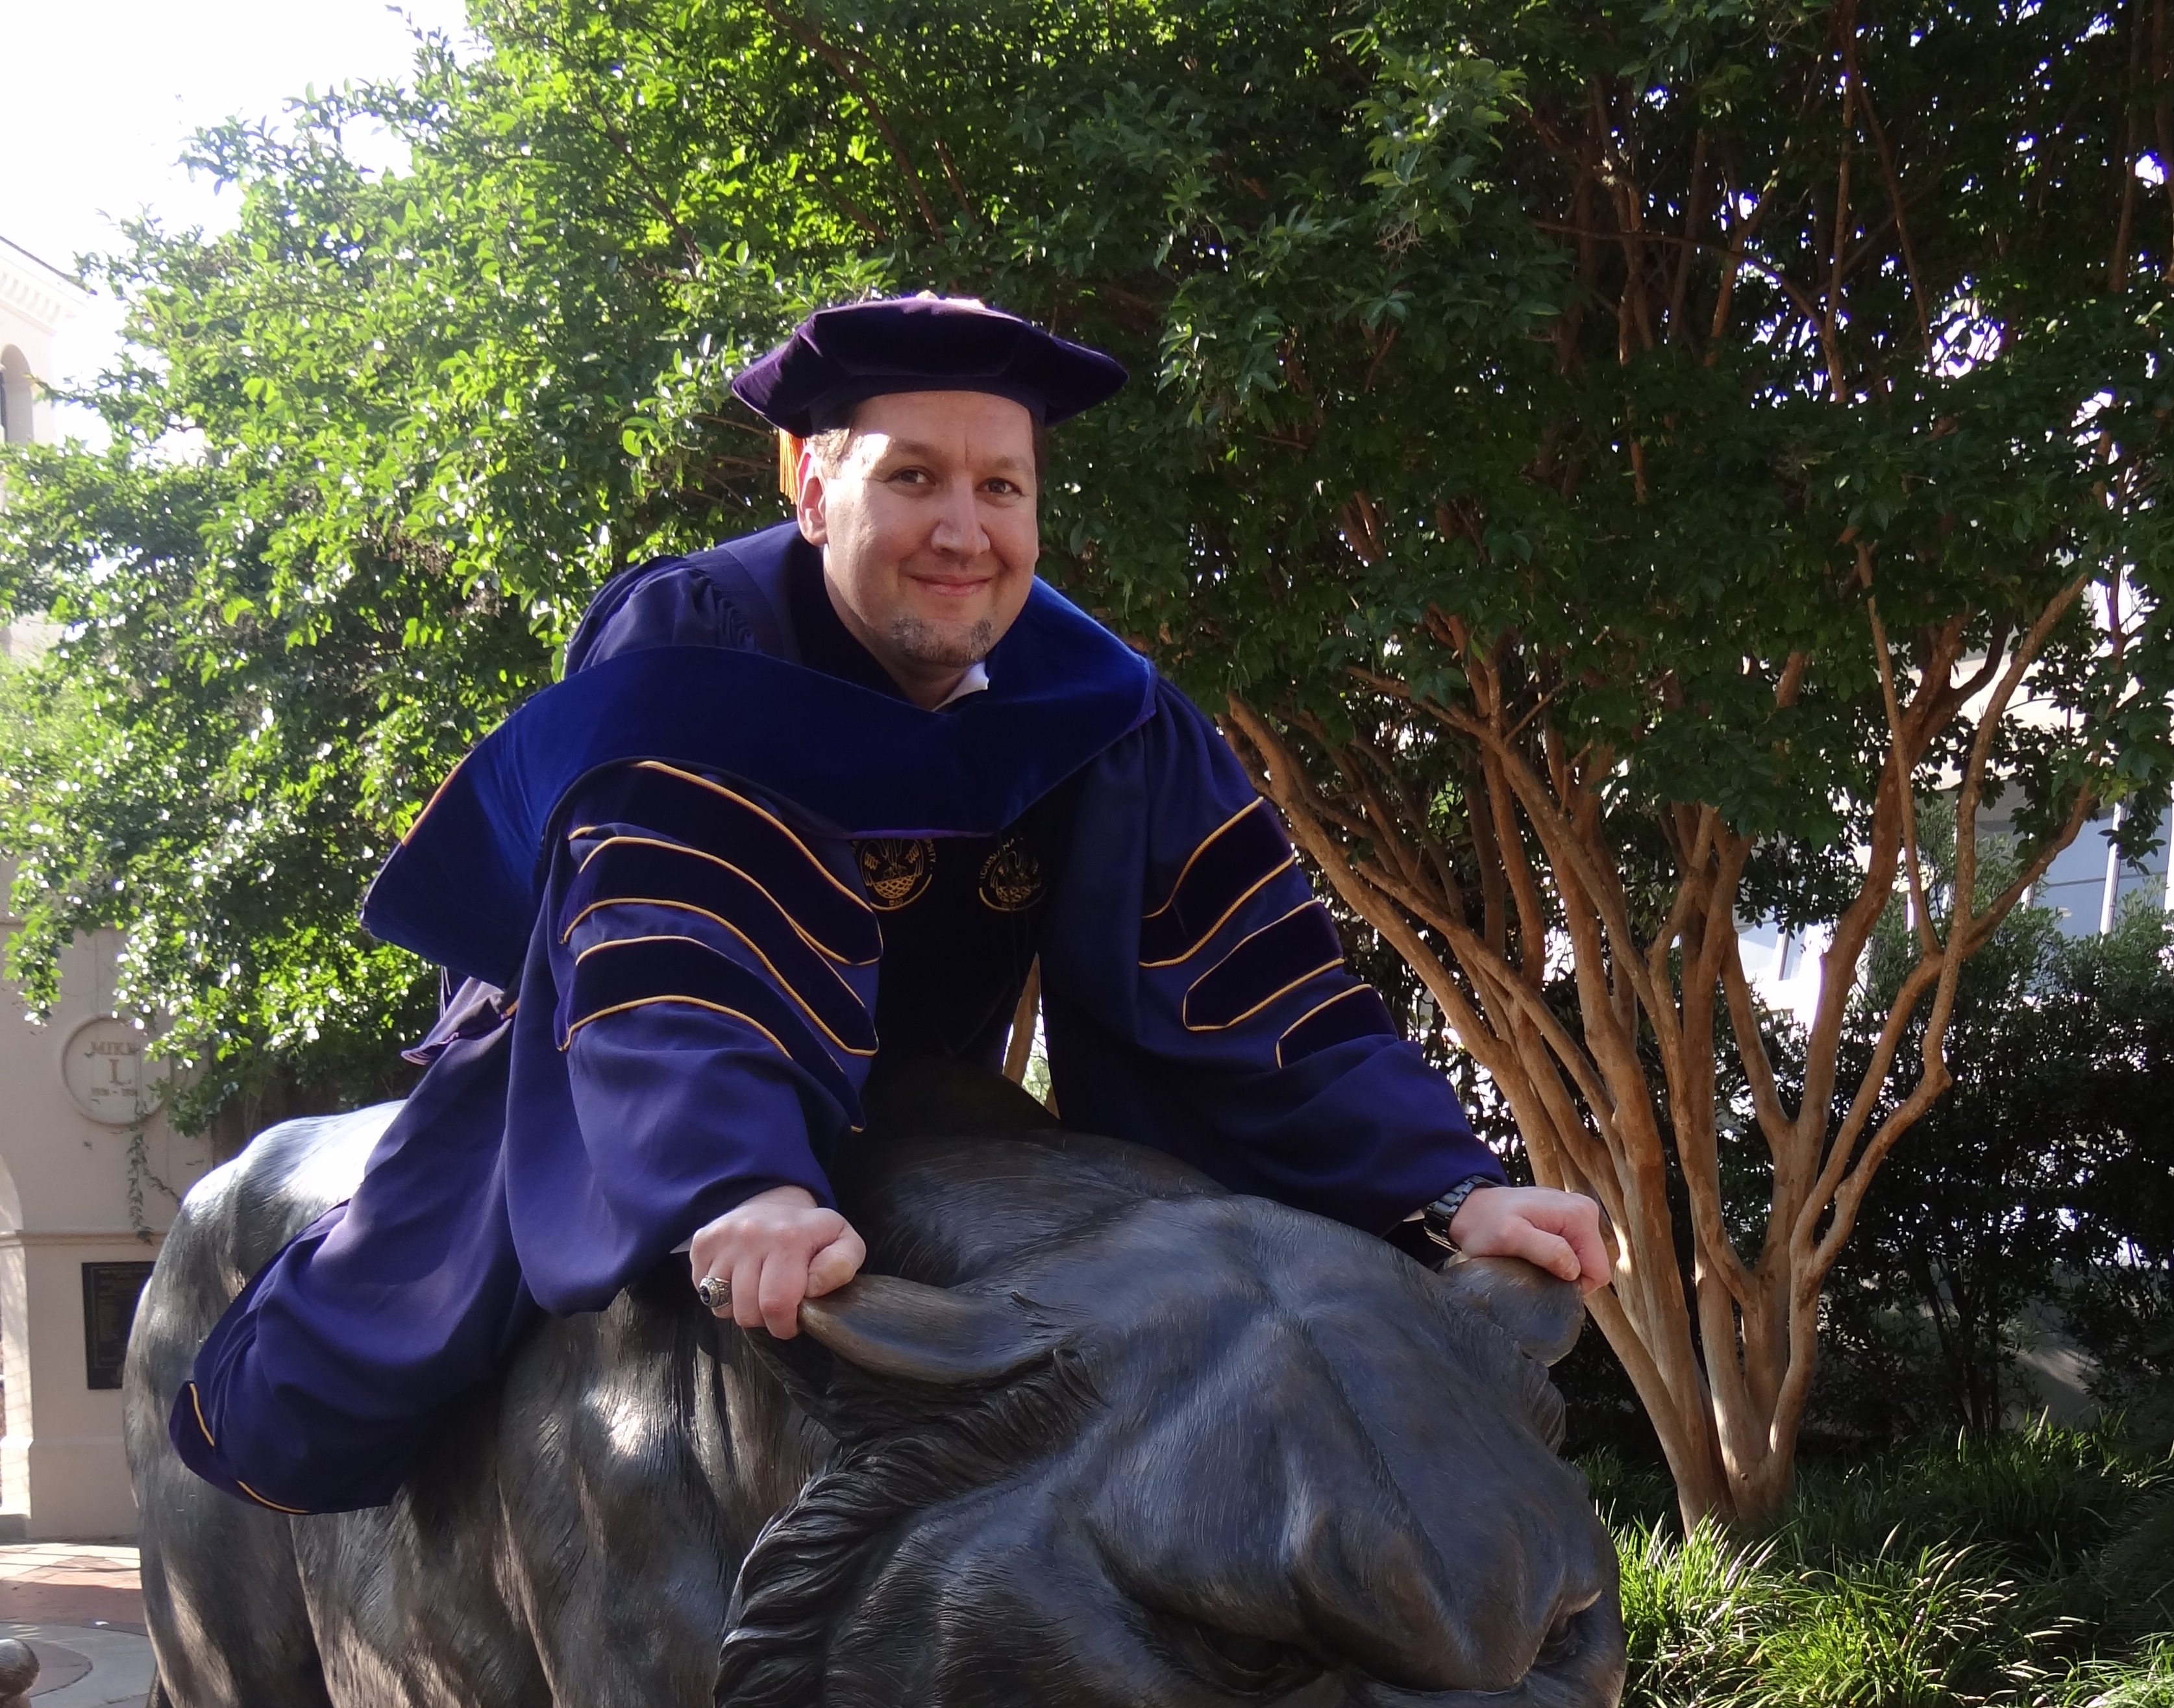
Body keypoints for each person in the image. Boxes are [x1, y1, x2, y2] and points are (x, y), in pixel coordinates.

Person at [172, 295, 1608, 1515]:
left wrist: (1451, 1191)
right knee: (397, 1338)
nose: (964, 530)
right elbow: (676, 942)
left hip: (925, 1098)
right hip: (604, 1058)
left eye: (1003, 487)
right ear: (812, 486)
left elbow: (1247, 983)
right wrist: (739, 1178)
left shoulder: (1097, 702)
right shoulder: (695, 638)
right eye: (913, 478)